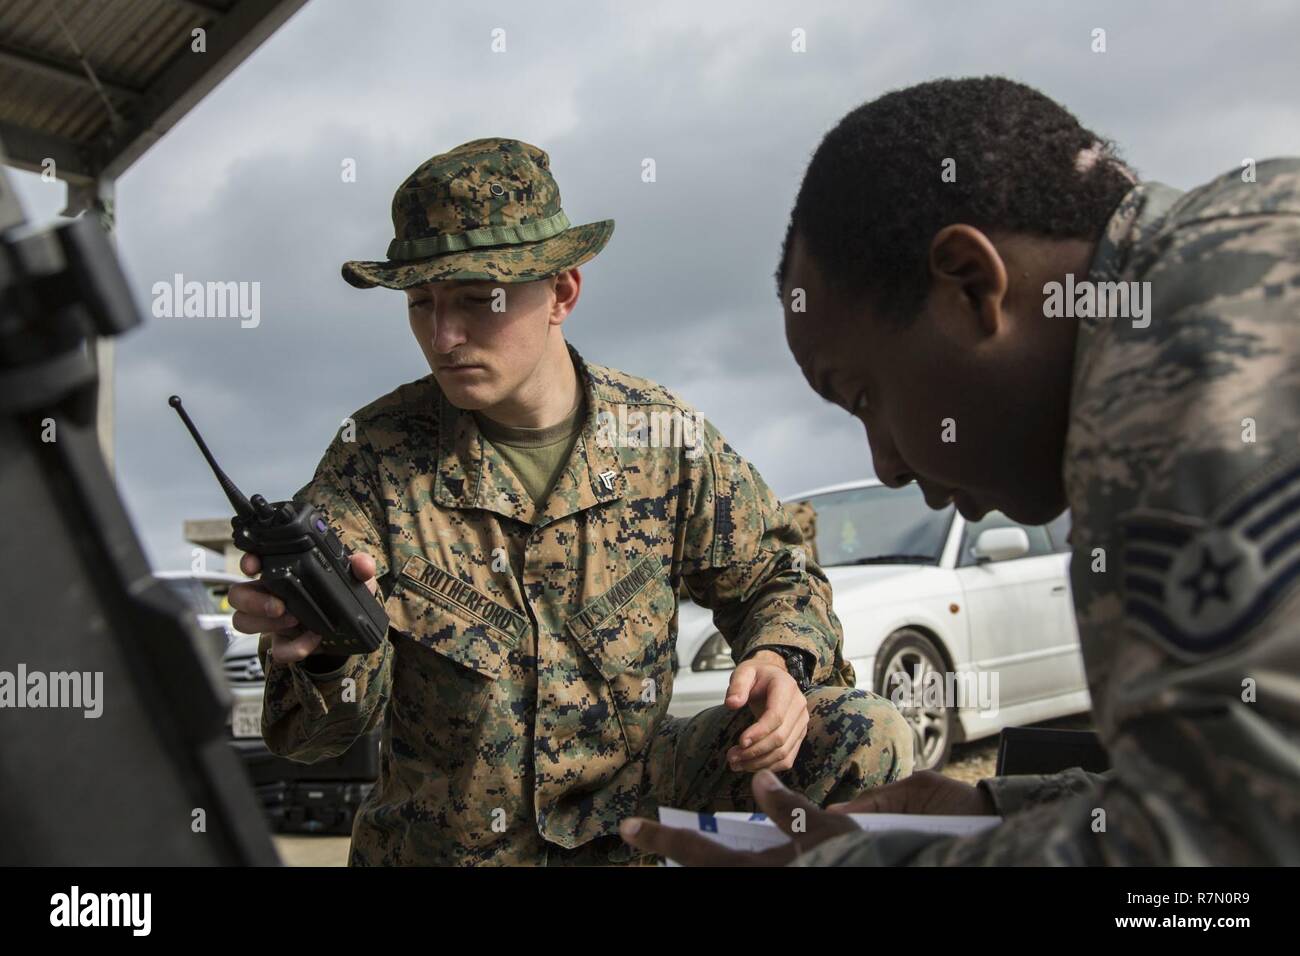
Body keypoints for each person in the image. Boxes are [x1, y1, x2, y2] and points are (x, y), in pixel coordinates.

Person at [619, 77, 1300, 865]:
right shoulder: (1211, 268)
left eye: (865, 395)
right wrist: (1000, 808)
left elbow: (1221, 873)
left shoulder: (1177, 375)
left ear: (971, 285)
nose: (886, 464)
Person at [229, 137, 913, 866]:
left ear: (563, 292)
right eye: (421, 303)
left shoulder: (661, 438)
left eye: (475, 300)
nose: (443, 335)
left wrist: (779, 660)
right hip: (453, 849)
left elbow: (778, 573)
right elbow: (311, 739)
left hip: (629, 830)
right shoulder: (373, 460)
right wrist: (325, 655)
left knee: (861, 733)